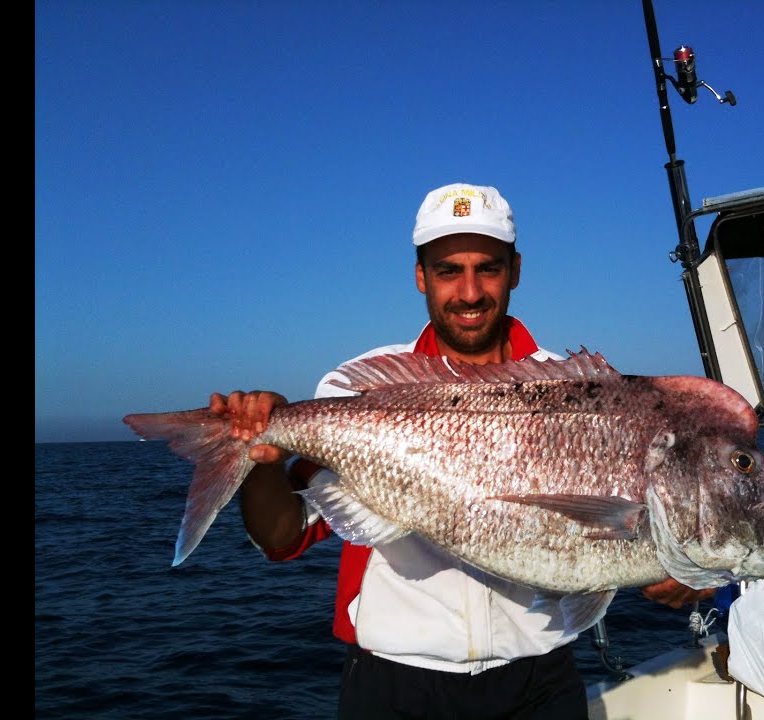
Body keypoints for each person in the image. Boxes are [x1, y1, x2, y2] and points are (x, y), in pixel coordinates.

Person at [209, 182, 717, 719]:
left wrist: (681, 562)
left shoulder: (580, 392)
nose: (470, 292)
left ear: (515, 271)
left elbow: (617, 531)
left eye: (488, 268)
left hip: (538, 681)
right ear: (420, 276)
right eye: (449, 270)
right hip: (395, 685)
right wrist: (261, 461)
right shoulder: (363, 391)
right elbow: (282, 540)